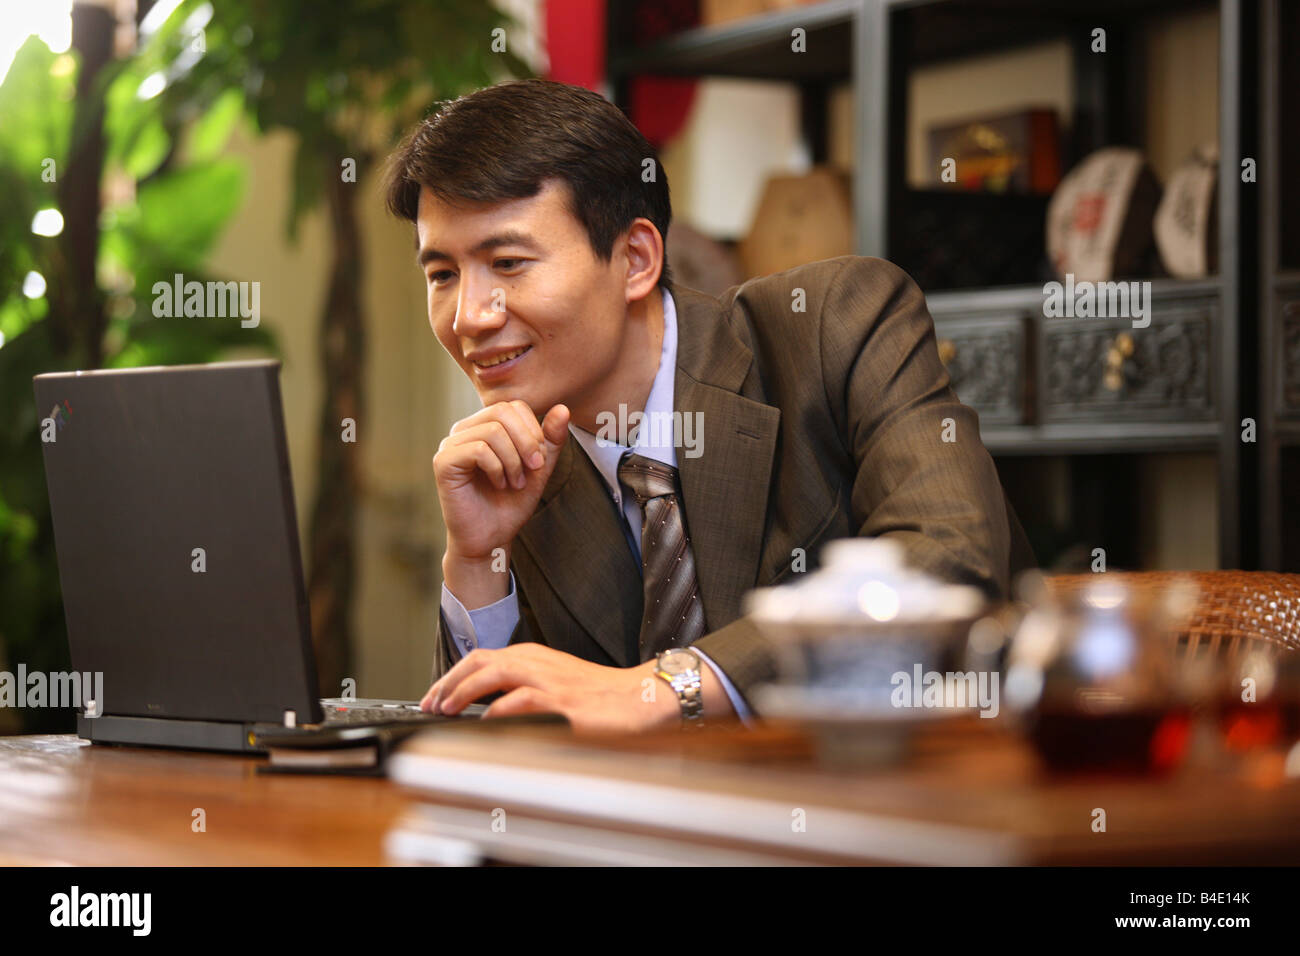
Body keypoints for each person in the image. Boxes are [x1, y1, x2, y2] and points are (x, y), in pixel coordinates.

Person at [382, 78, 1033, 734]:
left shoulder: (838, 324)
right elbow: (498, 759)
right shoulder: (515, 464)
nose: (469, 316)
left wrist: (672, 685)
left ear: (635, 259)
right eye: (442, 275)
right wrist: (475, 564)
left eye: (509, 262)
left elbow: (951, 558)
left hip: (928, 798)